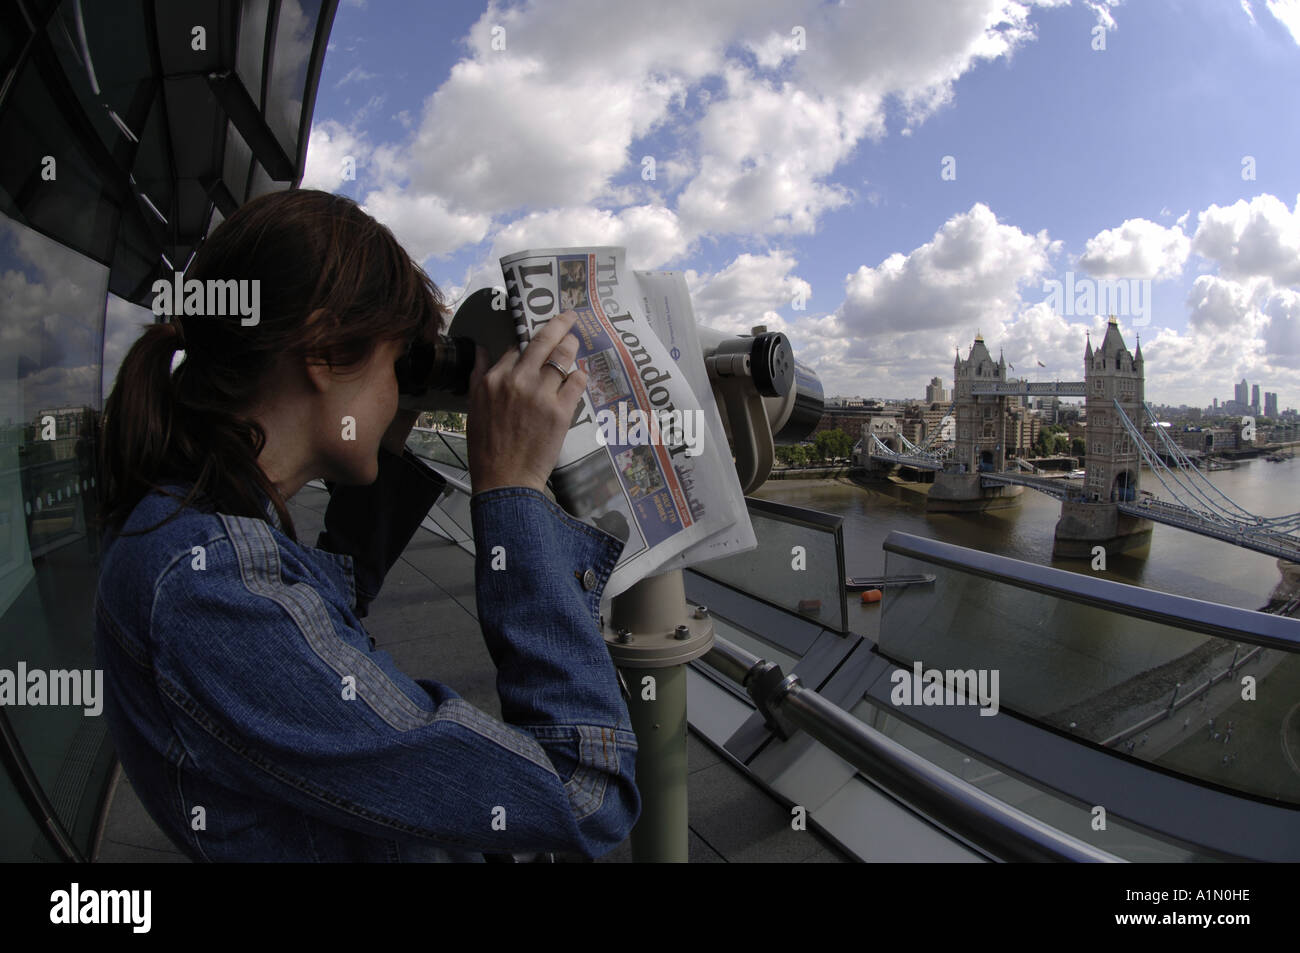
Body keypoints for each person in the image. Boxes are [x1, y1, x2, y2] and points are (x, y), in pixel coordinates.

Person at [93, 189, 639, 862]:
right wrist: (514, 492)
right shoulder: (209, 590)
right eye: (397, 362)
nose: (400, 387)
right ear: (323, 350)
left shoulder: (190, 529)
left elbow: (323, 622)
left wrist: (388, 430)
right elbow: (586, 795)